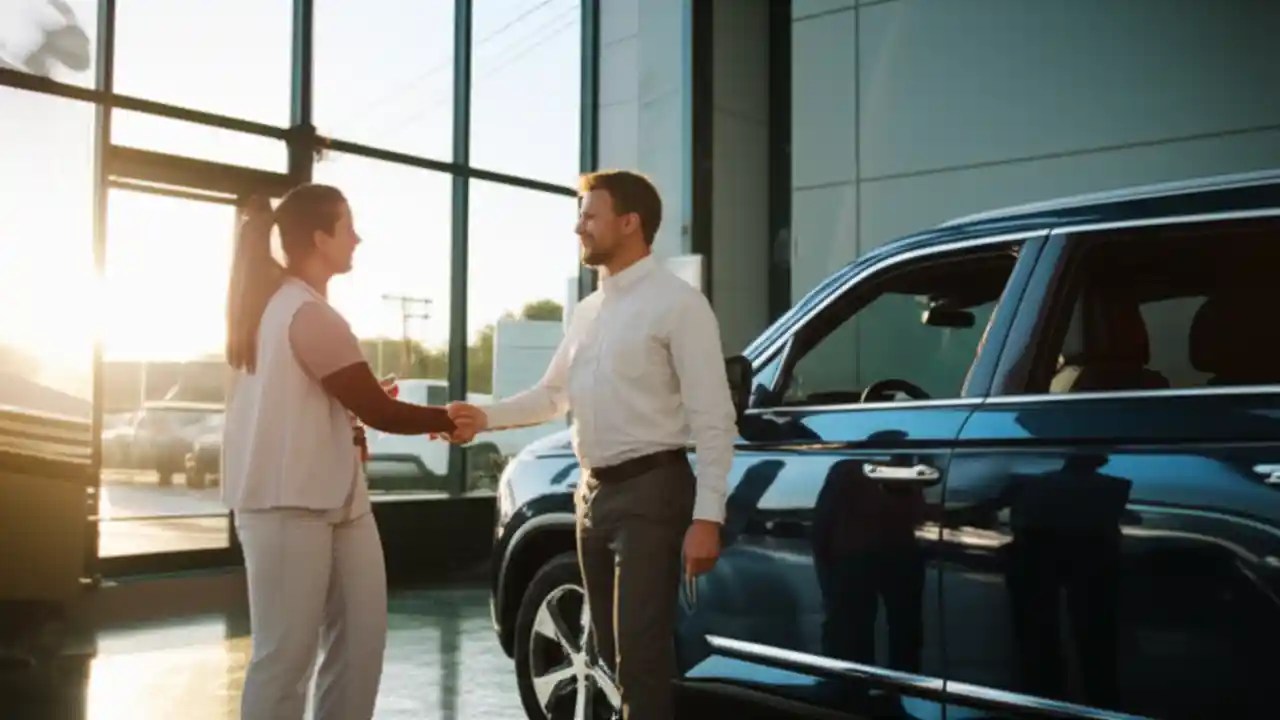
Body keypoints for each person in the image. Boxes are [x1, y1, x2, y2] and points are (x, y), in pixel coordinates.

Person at [447, 170, 737, 719]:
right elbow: (552, 395)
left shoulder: (679, 305)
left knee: (641, 658)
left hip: (653, 491)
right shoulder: (588, 313)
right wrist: (483, 417)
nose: (579, 227)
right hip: (593, 496)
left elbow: (714, 416)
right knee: (609, 653)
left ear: (629, 223)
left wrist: (708, 516)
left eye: (589, 215)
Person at [221, 184, 458, 720]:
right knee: (284, 661)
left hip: (340, 500)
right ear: (320, 237)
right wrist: (453, 420)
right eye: (347, 226)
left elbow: (336, 402)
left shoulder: (299, 308)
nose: (357, 238)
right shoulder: (301, 312)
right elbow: (381, 411)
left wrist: (350, 413)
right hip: (285, 507)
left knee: (360, 644)